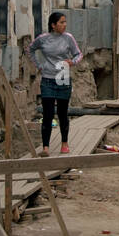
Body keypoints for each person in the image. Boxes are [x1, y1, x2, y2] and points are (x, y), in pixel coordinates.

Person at [28, 12, 82, 155]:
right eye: (61, 22)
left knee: (62, 113)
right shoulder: (43, 39)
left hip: (63, 78)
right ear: (53, 25)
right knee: (47, 114)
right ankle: (45, 147)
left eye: (65, 22)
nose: (64, 25)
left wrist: (73, 62)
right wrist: (39, 65)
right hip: (47, 79)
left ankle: (64, 143)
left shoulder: (68, 38)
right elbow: (30, 49)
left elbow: (78, 54)